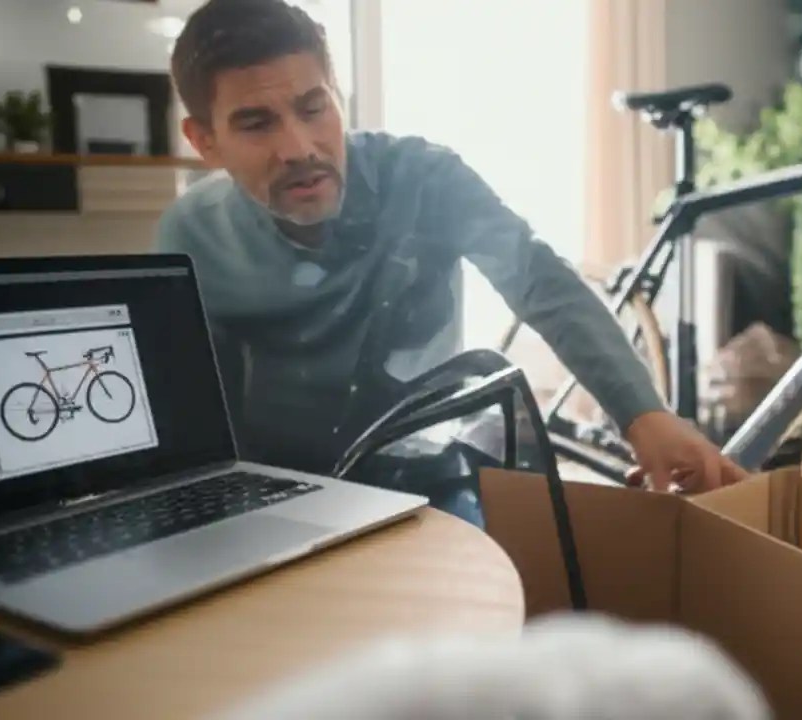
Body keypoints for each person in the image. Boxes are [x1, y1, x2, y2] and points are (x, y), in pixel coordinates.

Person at [155, 0, 747, 525]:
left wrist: (644, 415)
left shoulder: (424, 179)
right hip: (275, 504)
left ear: (339, 98)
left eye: (314, 108)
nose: (299, 148)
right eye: (256, 124)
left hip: (425, 487)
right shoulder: (190, 235)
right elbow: (190, 421)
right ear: (204, 141)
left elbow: (538, 279)